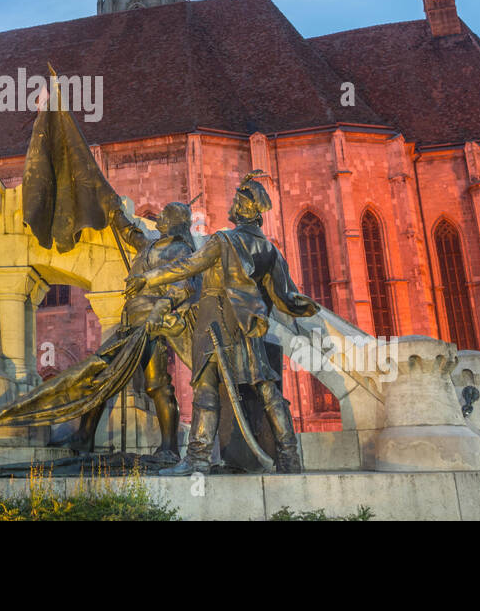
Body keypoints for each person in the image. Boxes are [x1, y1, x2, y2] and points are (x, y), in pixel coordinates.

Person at [124, 174, 318, 475]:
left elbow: (188, 266)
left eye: (235, 202)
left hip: (214, 322)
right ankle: (289, 456)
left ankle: (198, 458)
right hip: (248, 325)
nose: (232, 206)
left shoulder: (223, 240)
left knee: (205, 388)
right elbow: (285, 296)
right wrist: (304, 307)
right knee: (268, 390)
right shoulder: (270, 251)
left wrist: (147, 278)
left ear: (242, 209)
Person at [65, 199, 198, 462]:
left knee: (157, 385)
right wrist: (113, 209)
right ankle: (84, 436)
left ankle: (169, 446)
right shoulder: (148, 245)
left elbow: (184, 283)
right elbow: (130, 233)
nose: (159, 217)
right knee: (100, 372)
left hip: (153, 322)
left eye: (165, 214)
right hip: (129, 322)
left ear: (174, 222)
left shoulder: (180, 250)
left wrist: (162, 307)